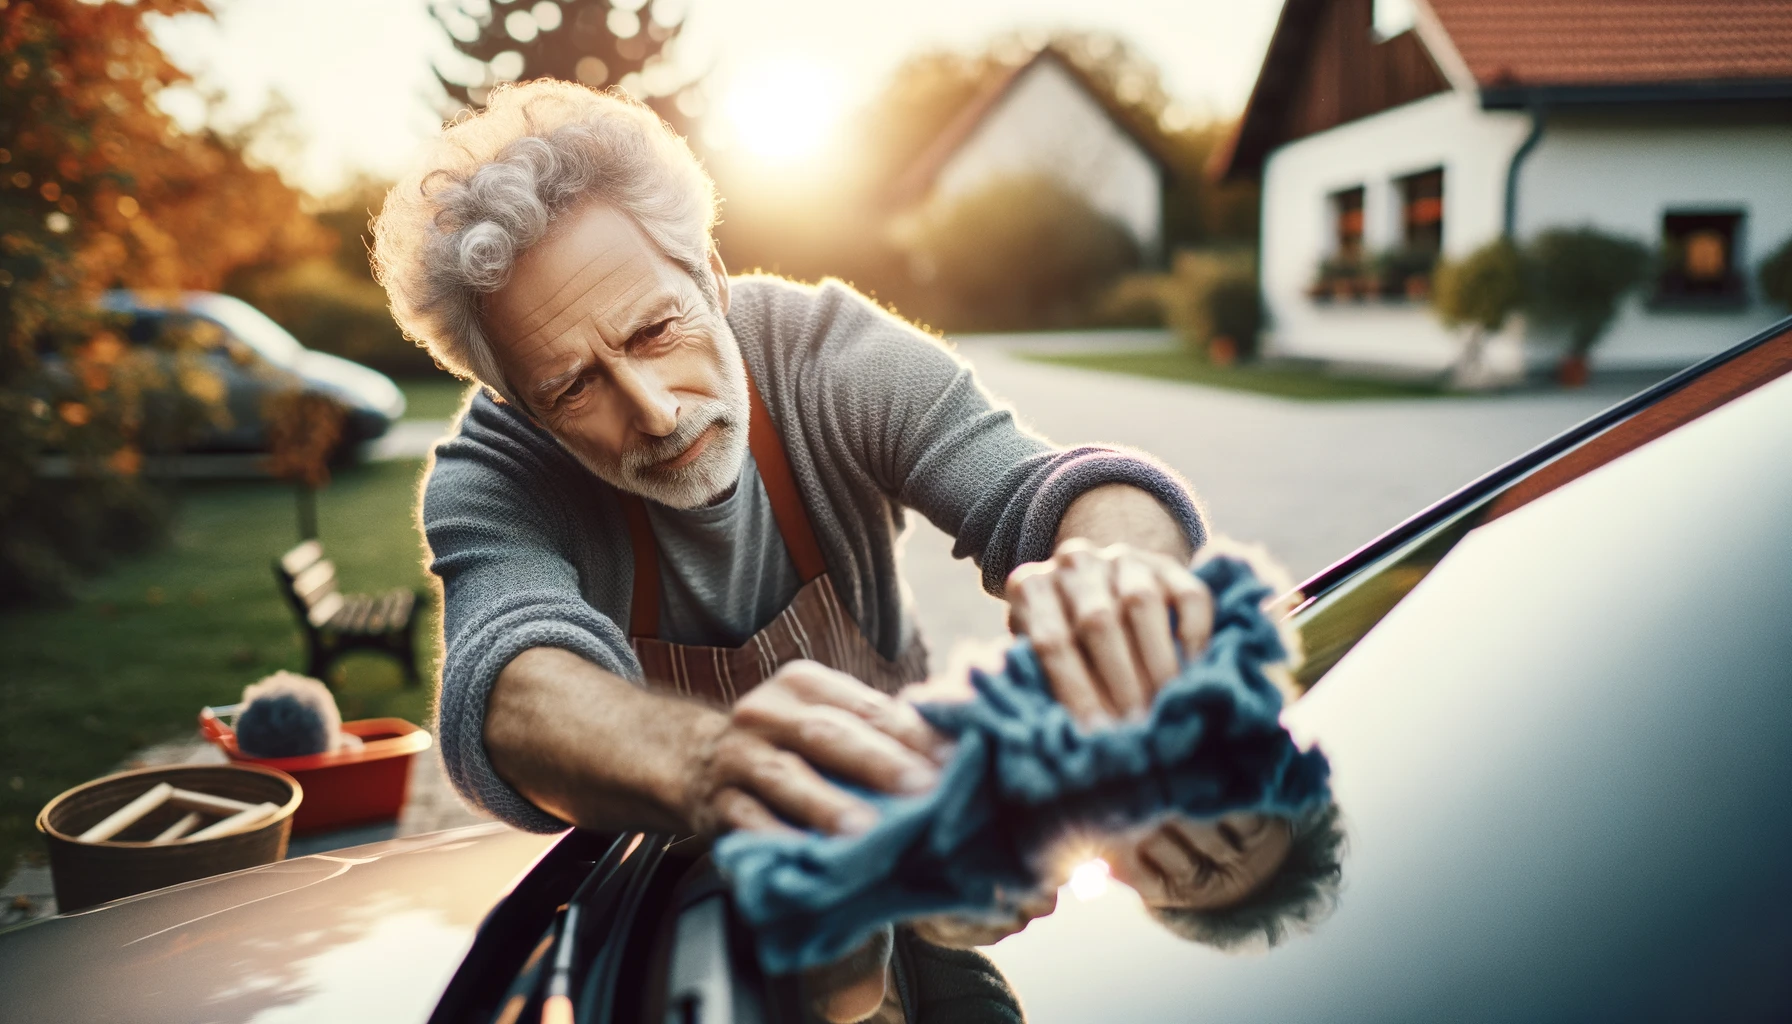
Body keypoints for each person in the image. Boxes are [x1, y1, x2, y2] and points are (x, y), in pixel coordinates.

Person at [373, 80, 1211, 1018]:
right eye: (573, 388)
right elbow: (507, 684)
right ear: (519, 405)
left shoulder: (828, 353)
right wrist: (718, 768)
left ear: (708, 274)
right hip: (678, 923)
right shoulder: (491, 476)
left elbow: (1050, 489)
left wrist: (1119, 574)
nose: (653, 411)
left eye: (656, 329)